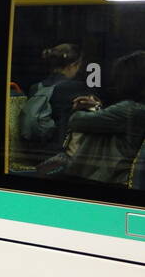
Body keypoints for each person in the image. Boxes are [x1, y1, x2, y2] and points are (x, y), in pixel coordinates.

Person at [63, 51, 145, 185]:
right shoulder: (137, 109)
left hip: (111, 177)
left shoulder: (129, 109)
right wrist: (98, 107)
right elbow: (113, 119)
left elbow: (77, 121)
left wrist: (85, 108)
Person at [20, 43, 88, 161]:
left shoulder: (35, 87)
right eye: (79, 66)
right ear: (72, 65)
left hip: (34, 152)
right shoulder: (74, 87)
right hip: (61, 155)